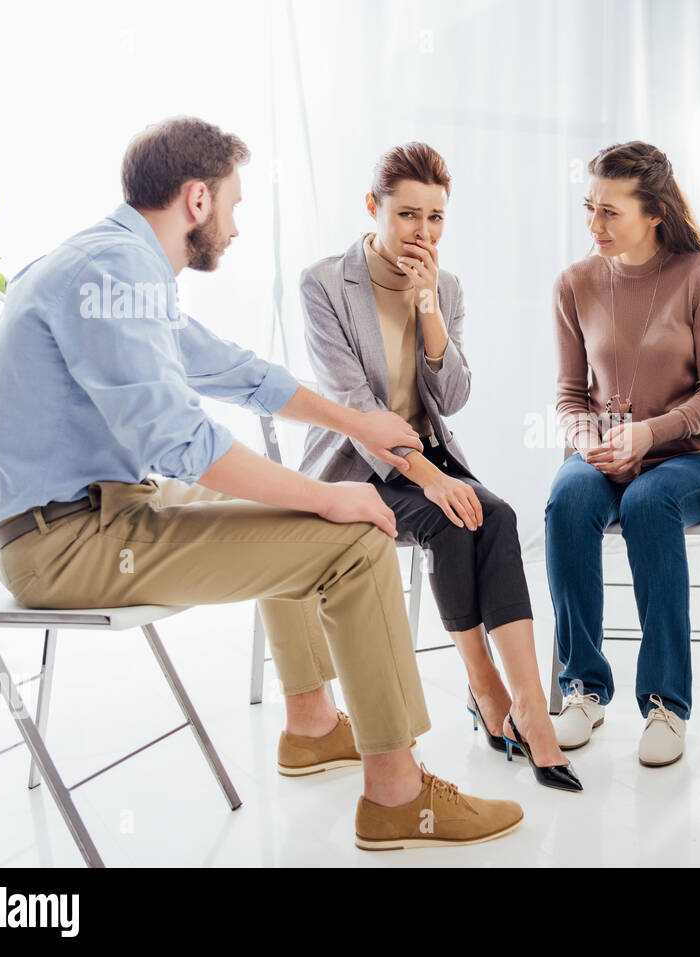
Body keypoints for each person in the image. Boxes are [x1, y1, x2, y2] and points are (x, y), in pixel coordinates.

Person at [0, 117, 523, 850]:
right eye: (232, 202)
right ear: (197, 200)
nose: (234, 222)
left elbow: (233, 370)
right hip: (68, 542)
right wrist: (331, 493)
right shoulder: (114, 274)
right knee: (353, 535)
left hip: (82, 519)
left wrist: (357, 425)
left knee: (279, 497)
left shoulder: (106, 265)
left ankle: (312, 724)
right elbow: (180, 441)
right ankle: (398, 795)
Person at [297, 142, 579, 792]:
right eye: (406, 215)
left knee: (497, 514)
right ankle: (484, 685)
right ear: (374, 207)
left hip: (429, 459)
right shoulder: (324, 284)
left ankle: (530, 710)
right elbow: (353, 408)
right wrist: (431, 477)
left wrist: (427, 311)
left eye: (435, 218)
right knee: (453, 518)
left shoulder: (445, 287)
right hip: (354, 473)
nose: (422, 233)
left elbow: (451, 398)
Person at [546, 141, 700, 767]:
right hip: (603, 451)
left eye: (610, 213)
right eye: (588, 208)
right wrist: (588, 442)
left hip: (689, 457)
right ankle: (583, 688)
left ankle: (665, 704)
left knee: (650, 503)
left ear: (654, 212)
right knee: (566, 498)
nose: (594, 226)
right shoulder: (574, 283)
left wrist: (648, 436)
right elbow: (571, 397)